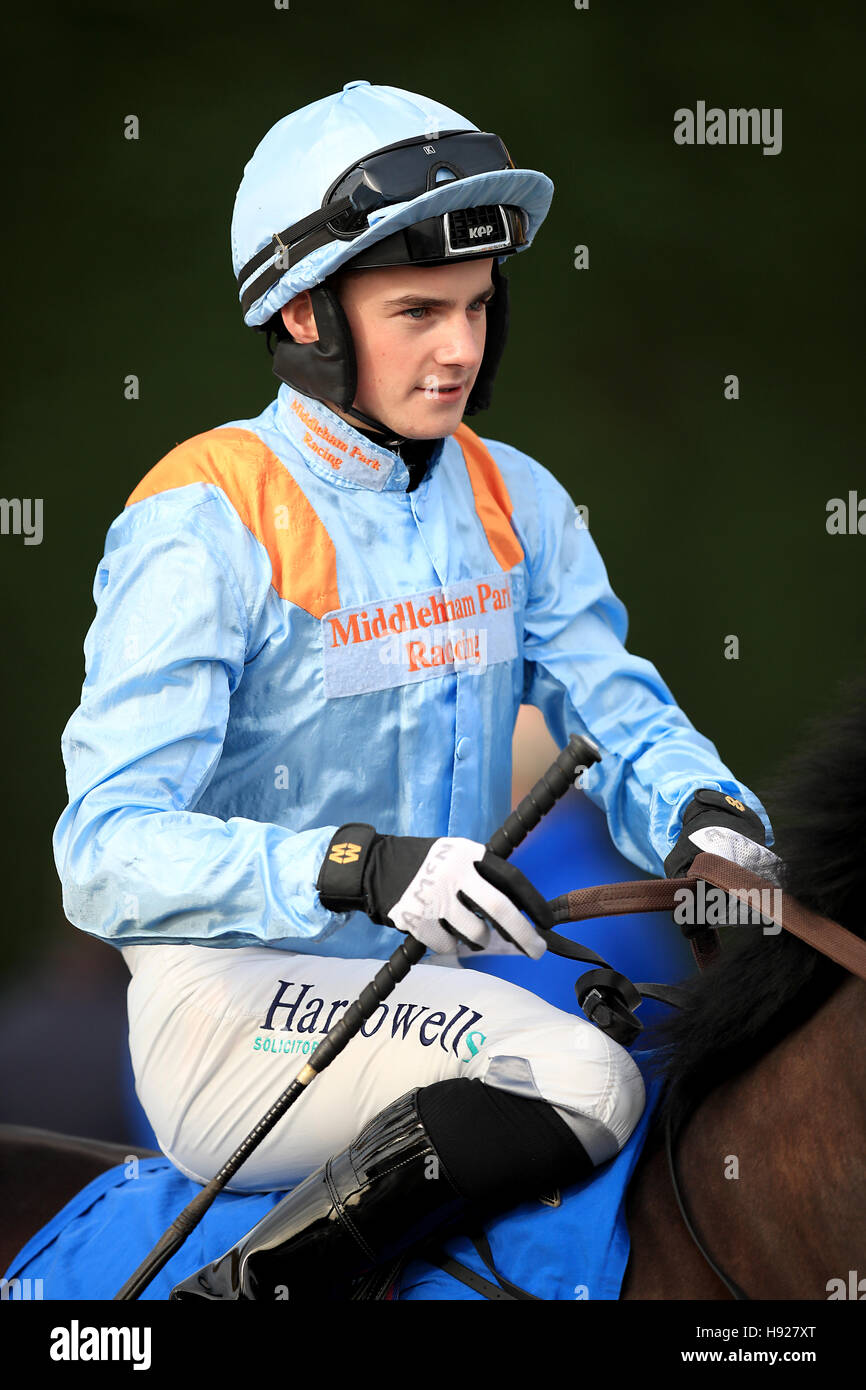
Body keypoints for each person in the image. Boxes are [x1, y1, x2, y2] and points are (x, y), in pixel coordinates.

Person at [53, 81, 778, 1300]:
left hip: (429, 996)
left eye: (478, 308)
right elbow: (104, 849)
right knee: (582, 1081)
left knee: (674, 1071)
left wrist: (709, 813)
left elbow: (622, 713)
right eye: (417, 311)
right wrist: (356, 866)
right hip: (234, 1009)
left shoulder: (514, 497)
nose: (461, 349)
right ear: (301, 312)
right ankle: (229, 1298)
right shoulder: (201, 520)